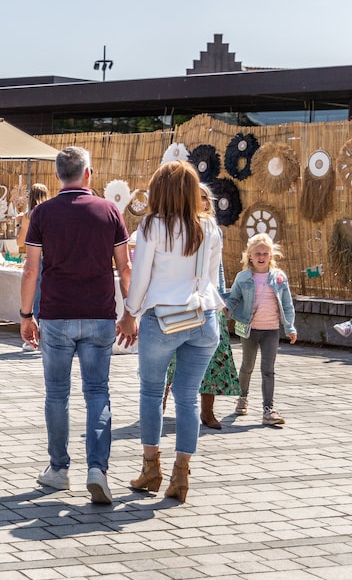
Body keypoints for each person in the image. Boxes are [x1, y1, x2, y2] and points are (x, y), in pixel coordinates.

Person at [21, 146, 131, 505]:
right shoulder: (109, 211)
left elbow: (31, 268)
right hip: (99, 314)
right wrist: (131, 311)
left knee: (57, 393)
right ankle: (97, 468)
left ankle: (58, 468)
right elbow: (125, 268)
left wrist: (25, 315)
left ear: (58, 176)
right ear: (88, 173)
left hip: (56, 313)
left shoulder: (43, 213)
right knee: (97, 392)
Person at [120, 160, 223, 504]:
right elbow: (210, 278)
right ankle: (181, 474)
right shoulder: (208, 226)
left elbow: (142, 278)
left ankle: (151, 469)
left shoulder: (152, 226)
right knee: (188, 397)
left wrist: (129, 314)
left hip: (162, 318)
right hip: (203, 317)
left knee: (151, 393)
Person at [162, 183, 239, 430]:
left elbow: (217, 270)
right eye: (198, 197)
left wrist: (221, 301)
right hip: (180, 304)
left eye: (206, 198)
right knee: (171, 359)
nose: (202, 201)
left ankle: (207, 412)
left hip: (208, 302)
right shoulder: (174, 227)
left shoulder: (215, 229)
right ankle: (157, 408)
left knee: (215, 360)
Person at [226, 232, 296, 426]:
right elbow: (233, 298)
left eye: (265, 253)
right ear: (249, 255)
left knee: (268, 369)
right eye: (257, 253)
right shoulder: (243, 277)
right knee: (247, 366)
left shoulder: (279, 278)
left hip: (271, 330)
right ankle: (242, 397)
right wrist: (225, 310)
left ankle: (268, 409)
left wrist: (290, 327)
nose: (261, 257)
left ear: (271, 255)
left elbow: (288, 305)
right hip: (248, 329)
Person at [17, 183, 50, 352]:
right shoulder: (51, 213)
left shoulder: (28, 216)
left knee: (35, 298)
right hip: (52, 259)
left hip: (35, 258)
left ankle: (35, 338)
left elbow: (20, 242)